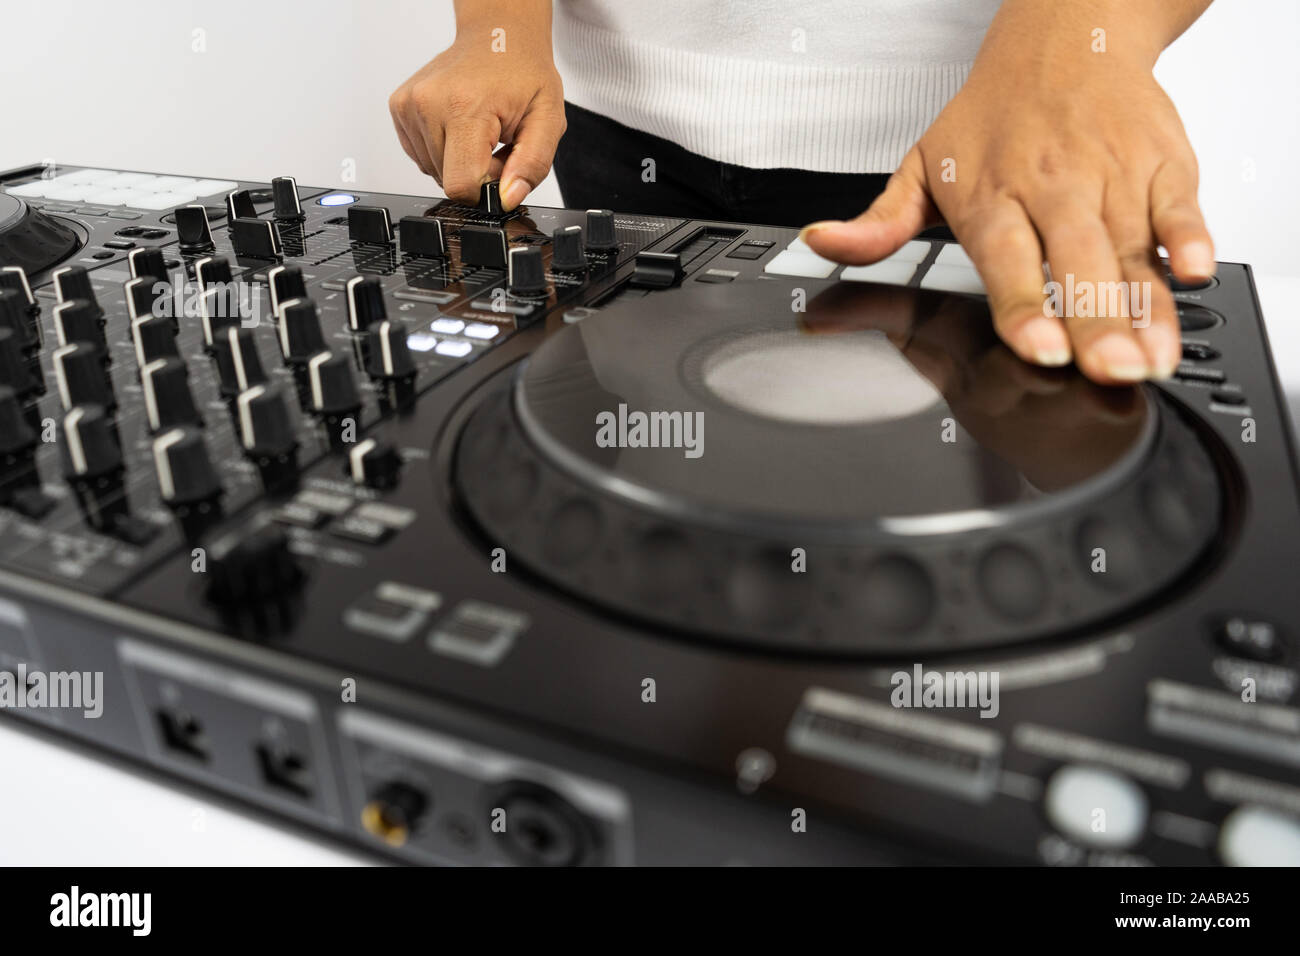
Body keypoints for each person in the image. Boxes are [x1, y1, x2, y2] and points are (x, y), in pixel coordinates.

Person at [389, 0, 1216, 385]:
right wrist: (496, 27)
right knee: (646, 424)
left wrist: (1081, 44)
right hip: (602, 120)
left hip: (981, 143)